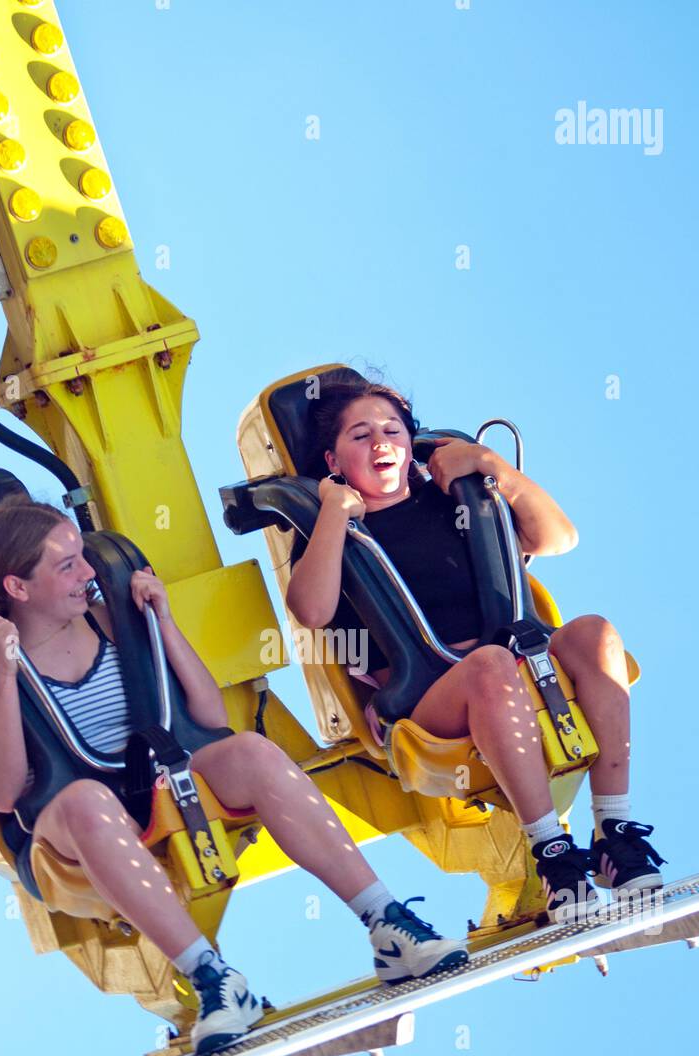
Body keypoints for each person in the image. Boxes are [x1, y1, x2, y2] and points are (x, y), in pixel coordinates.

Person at [0, 496, 468, 1056]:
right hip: (71, 825)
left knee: (251, 751)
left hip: (160, 780)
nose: (89, 571)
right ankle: (215, 979)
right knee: (88, 802)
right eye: (67, 564)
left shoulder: (108, 617)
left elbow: (209, 717)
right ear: (18, 588)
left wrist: (160, 621)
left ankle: (386, 922)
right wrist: (3, 670)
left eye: (82, 555)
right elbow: (0, 790)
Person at [285, 373, 666, 920]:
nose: (380, 444)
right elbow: (311, 610)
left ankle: (615, 832)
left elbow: (560, 539)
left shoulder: (459, 502)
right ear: (334, 460)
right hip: (425, 705)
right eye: (360, 435)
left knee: (594, 631)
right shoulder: (334, 532)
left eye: (392, 430)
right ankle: (553, 856)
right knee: (490, 666)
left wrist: (494, 467)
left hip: (519, 661)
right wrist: (331, 511)